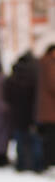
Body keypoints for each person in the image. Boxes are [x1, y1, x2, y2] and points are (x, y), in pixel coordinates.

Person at [5, 50, 41, 172]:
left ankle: (21, 163)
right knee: (35, 138)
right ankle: (36, 164)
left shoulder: (15, 75)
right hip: (32, 110)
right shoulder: (35, 74)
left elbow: (7, 94)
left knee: (20, 137)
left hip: (17, 111)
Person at [36, 44, 55, 174]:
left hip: (45, 110)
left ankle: (47, 163)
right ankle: (50, 164)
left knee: (48, 138)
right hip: (50, 110)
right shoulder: (49, 64)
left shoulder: (42, 63)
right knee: (51, 139)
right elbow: (52, 84)